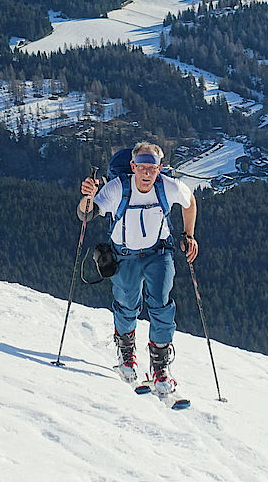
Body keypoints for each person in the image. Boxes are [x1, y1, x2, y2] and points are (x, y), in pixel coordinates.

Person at [77, 142, 197, 395]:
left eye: (151, 168)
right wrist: (88, 196)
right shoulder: (117, 188)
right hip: (124, 256)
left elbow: (189, 202)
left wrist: (189, 235)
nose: (146, 173)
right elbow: (87, 215)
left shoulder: (169, 186)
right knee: (127, 305)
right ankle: (126, 355)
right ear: (132, 167)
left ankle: (160, 368)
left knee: (162, 306)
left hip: (159, 253)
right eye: (141, 167)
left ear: (159, 168)